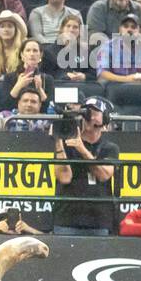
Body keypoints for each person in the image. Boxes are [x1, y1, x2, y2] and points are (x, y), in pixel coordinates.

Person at [52, 95, 120, 236]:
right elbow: (64, 177)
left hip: (98, 220)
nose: (89, 117)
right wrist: (58, 143)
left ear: (105, 118)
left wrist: (82, 149)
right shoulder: (67, 144)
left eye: (95, 113)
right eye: (86, 112)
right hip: (67, 219)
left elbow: (103, 175)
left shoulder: (110, 147)